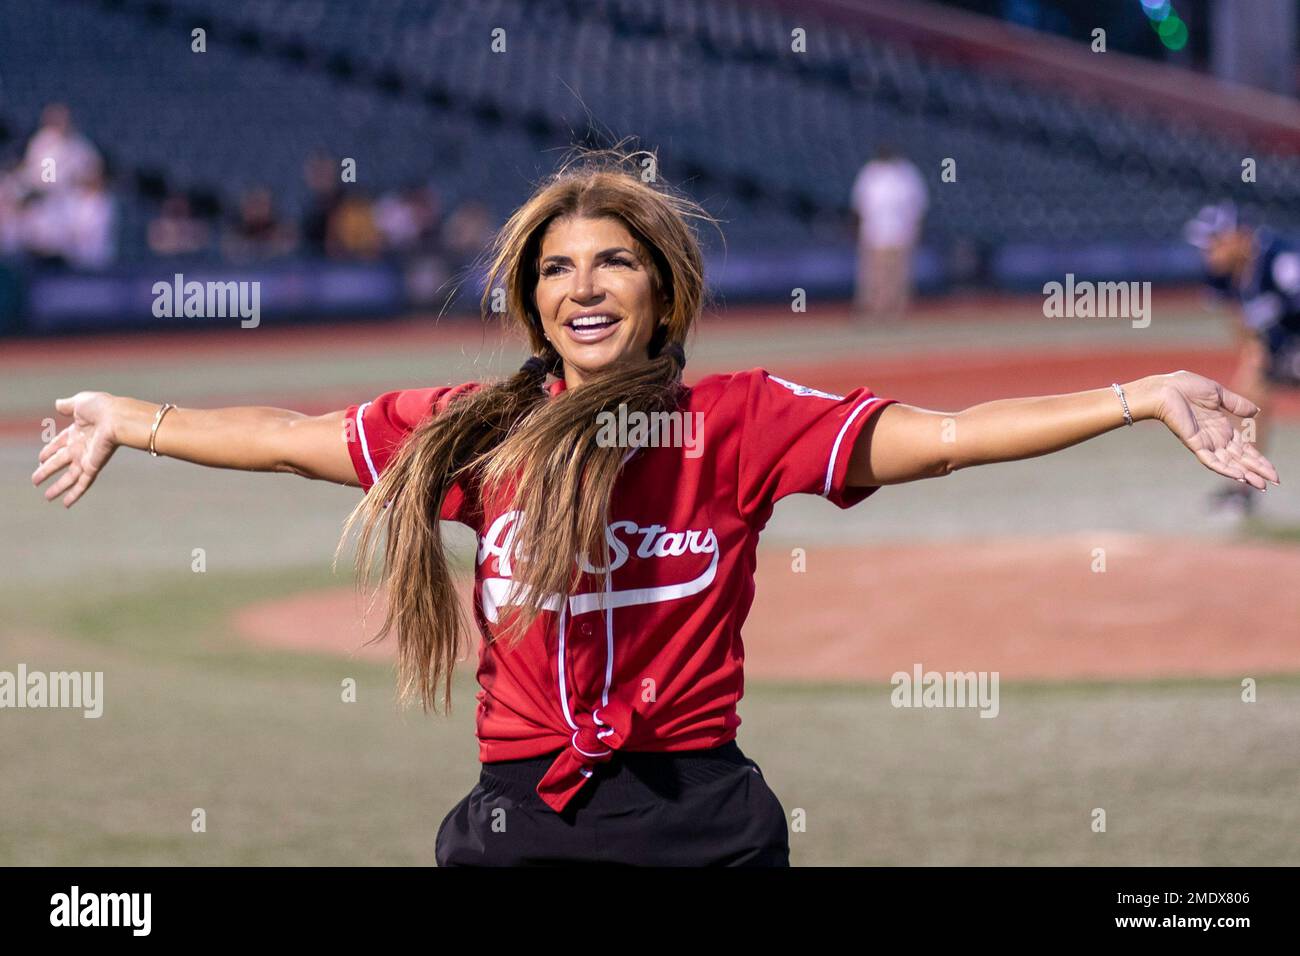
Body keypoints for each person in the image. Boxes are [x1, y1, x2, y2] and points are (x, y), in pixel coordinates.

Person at [33, 150, 1278, 867]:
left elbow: (941, 437)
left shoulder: (737, 418)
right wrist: (124, 415)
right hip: (524, 820)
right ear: (530, 302)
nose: (584, 286)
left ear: (662, 291)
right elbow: (292, 439)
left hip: (703, 822)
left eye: (613, 260)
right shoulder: (476, 428)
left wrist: (1139, 389)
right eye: (557, 268)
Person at [1185, 202, 1300, 518]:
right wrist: (1255, 352)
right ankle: (1245, 488)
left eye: (1217, 241)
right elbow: (1239, 320)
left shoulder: (1282, 260)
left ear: (1241, 236)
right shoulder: (1221, 274)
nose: (1210, 251)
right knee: (1246, 397)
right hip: (1282, 350)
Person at [850, 145, 928, 321]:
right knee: (873, 276)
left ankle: (895, 311)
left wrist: (915, 228)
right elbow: (859, 205)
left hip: (901, 232)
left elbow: (918, 205)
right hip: (874, 232)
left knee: (898, 275)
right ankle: (872, 311)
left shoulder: (906, 173)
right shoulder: (870, 173)